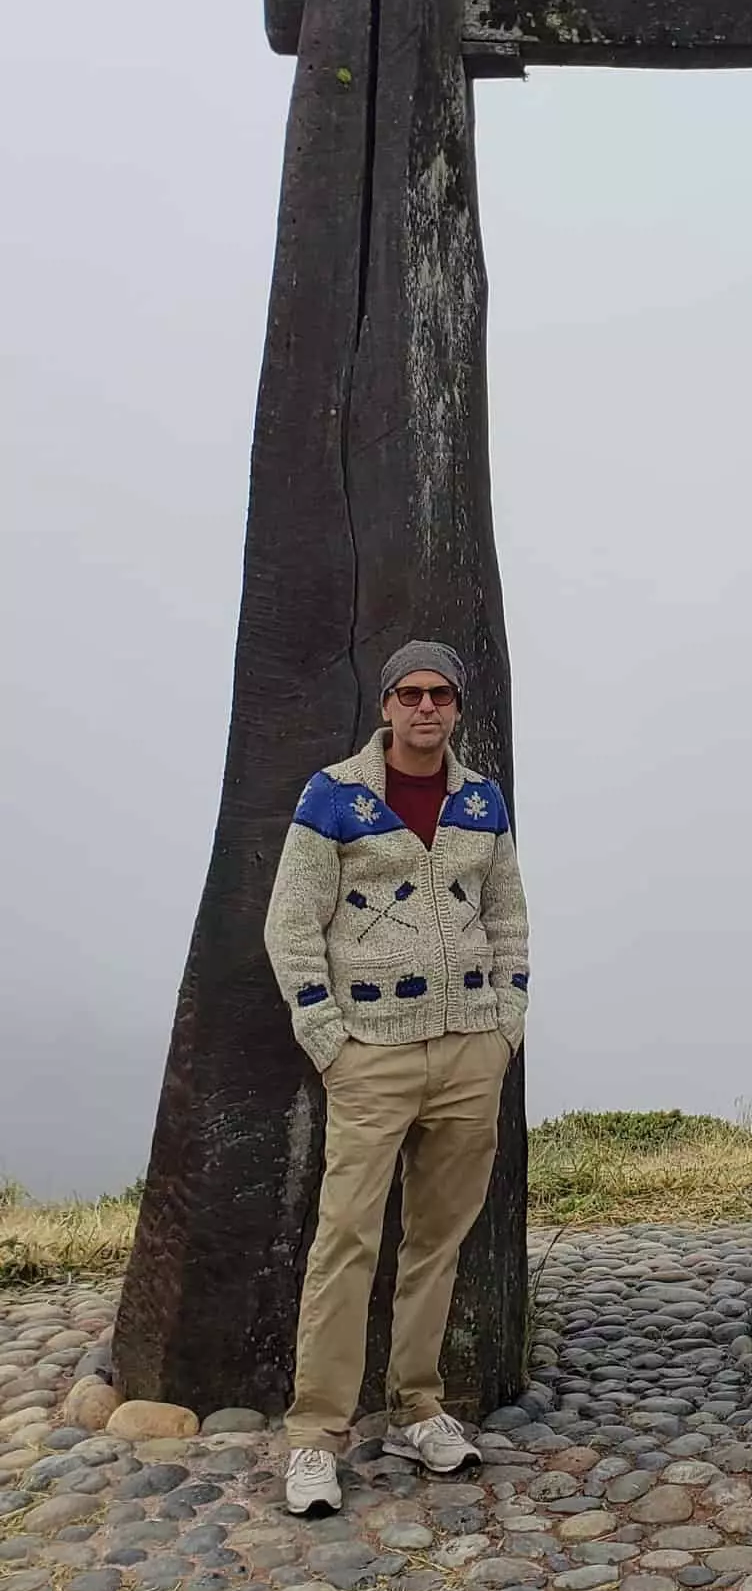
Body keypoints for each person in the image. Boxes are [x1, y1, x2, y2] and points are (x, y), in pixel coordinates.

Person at [264, 641, 529, 1517]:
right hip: (369, 1055)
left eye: (440, 695)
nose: (425, 708)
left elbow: (508, 917)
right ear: (386, 704)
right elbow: (292, 926)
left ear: (457, 708)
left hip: (468, 1053)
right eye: (410, 694)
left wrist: (506, 1025)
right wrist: (327, 1039)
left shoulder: (483, 800)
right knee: (346, 1241)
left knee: (437, 1241)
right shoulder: (333, 796)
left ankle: (420, 1406)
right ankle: (315, 1436)